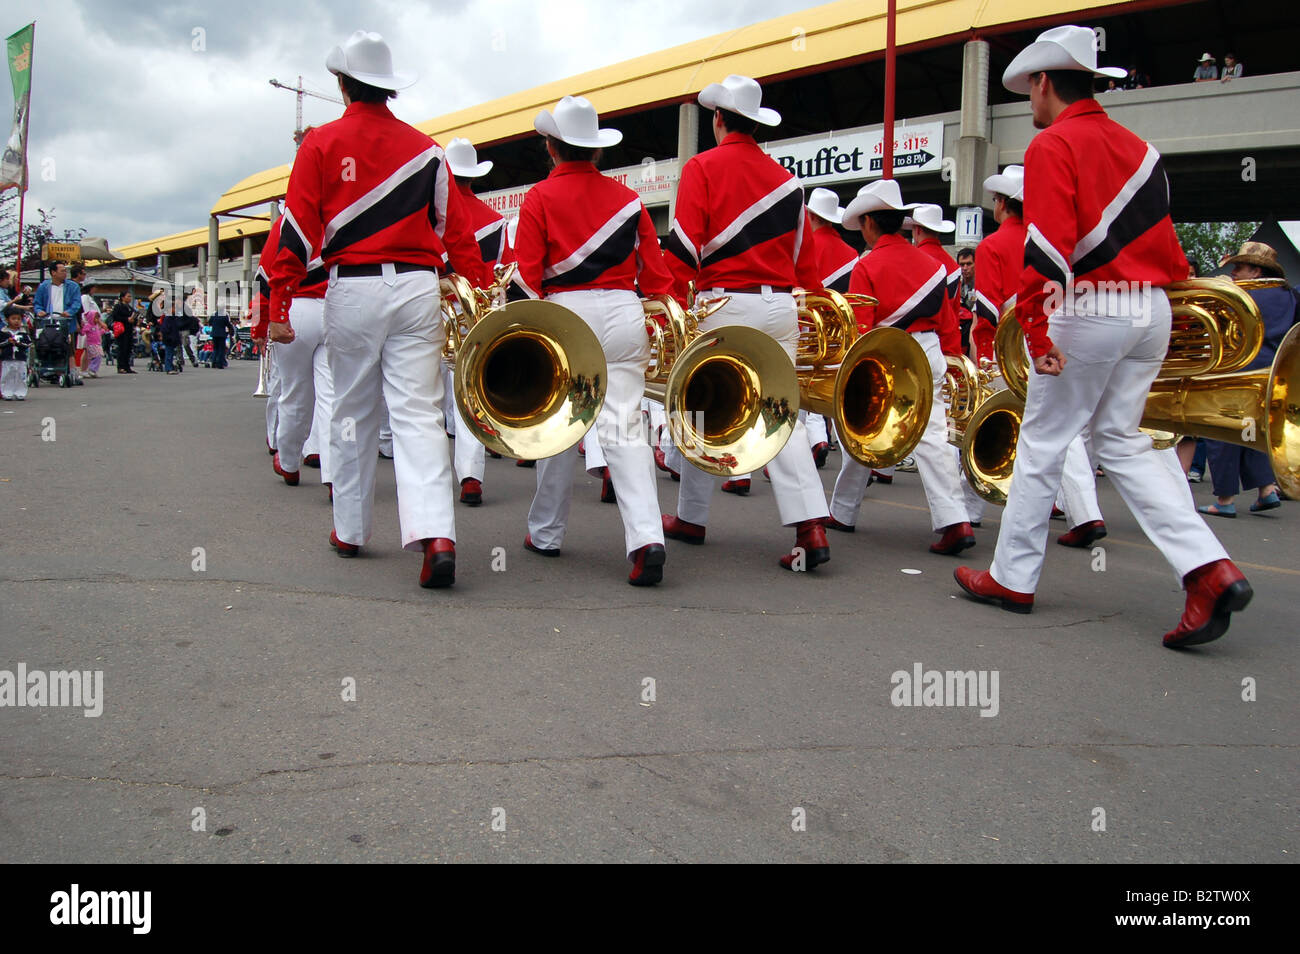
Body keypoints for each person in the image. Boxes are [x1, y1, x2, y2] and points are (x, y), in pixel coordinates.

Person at [954, 24, 1251, 650]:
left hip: (1087, 308)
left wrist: (1036, 328)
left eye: (1029, 90)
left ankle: (1013, 579)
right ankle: (1209, 569)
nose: (1030, 104)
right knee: (1124, 441)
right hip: (1151, 308)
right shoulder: (1143, 150)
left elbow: (1048, 246)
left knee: (1041, 442)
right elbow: (1170, 250)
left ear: (1042, 82)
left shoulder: (1052, 145)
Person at [266, 30, 487, 589]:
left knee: (352, 411)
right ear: (388, 87)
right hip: (419, 288)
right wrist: (479, 291)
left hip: (353, 289)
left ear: (341, 83)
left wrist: (280, 301)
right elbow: (457, 236)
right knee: (417, 414)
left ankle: (352, 530)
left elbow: (294, 232)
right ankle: (437, 535)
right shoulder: (429, 150)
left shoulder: (318, 144)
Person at [660, 74, 831, 572]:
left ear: (717, 120)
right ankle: (807, 526)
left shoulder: (702, 167)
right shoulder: (790, 183)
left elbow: (684, 250)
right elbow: (807, 268)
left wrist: (669, 304)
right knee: (782, 413)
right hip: (780, 307)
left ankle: (695, 517)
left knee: (698, 404)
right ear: (755, 124)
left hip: (722, 305)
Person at [513, 96, 672, 585]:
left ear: (551, 146)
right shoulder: (629, 200)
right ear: (595, 150)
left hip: (565, 316)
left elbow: (526, 279)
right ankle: (646, 538)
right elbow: (658, 277)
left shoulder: (539, 197)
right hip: (625, 312)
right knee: (625, 428)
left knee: (556, 426)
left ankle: (546, 533)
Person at [824, 179, 975, 555]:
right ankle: (954, 520)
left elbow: (861, 329)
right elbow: (947, 324)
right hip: (929, 353)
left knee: (861, 432)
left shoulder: (867, 265)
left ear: (871, 223)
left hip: (886, 357)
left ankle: (844, 512)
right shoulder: (934, 267)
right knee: (934, 438)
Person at [975, 164, 1107, 547]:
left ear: (1001, 204)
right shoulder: (1049, 239)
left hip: (1014, 339)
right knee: (1060, 423)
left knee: (986, 419)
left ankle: (964, 514)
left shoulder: (993, 245)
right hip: (1057, 331)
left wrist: (985, 353)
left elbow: (986, 308)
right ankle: (1084, 512)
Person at [1197, 243, 1295, 517]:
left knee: (1221, 431)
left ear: (1256, 269)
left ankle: (1225, 501)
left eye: (1240, 267)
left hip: (1236, 371)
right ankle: (1265, 490)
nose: (1235, 272)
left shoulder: (1241, 294)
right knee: (1253, 432)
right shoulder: (1289, 296)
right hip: (1271, 372)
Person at [443, 136, 515, 508]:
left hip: (433, 309)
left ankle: (422, 476)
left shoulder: (429, 214)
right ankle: (470, 475)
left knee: (418, 397)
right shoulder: (496, 221)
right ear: (473, 178)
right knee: (467, 396)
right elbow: (505, 271)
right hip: (475, 312)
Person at [0, 306, 31, 400]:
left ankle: (20, 393)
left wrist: (19, 343)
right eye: (13, 319)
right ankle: (7, 393)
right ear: (7, 320)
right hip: (7, 358)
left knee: (21, 376)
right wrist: (7, 342)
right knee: (7, 376)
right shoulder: (3, 332)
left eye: (18, 319)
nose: (16, 321)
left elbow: (28, 343)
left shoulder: (23, 332)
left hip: (20, 358)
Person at [79, 281, 108, 377]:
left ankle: (87, 369)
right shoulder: (85, 298)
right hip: (89, 325)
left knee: (89, 351)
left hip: (94, 326)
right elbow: (87, 312)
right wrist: (99, 322)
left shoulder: (89, 298)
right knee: (87, 350)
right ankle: (83, 370)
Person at [110, 290, 137, 373]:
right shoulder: (118, 306)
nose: (129, 298)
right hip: (122, 330)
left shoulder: (130, 308)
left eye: (130, 296)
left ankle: (127, 366)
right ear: (122, 297)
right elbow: (115, 317)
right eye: (128, 296)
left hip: (129, 330)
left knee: (128, 349)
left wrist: (134, 320)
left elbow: (134, 318)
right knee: (122, 348)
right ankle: (121, 367)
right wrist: (126, 319)